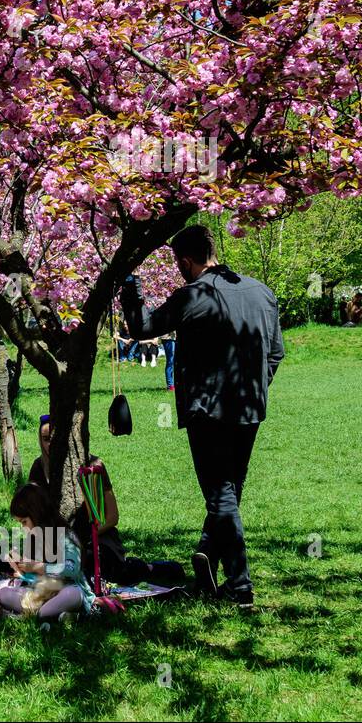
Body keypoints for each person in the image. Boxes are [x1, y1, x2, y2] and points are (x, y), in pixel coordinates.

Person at [121, 224, 284, 608]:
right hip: (249, 408)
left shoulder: (193, 296)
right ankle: (208, 553)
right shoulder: (261, 292)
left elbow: (142, 328)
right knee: (231, 490)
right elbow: (275, 352)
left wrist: (130, 284)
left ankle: (240, 587)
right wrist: (256, 388)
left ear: (185, 261)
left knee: (221, 495)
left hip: (208, 411)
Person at [28, 416, 183, 586]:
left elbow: (112, 517)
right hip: (57, 544)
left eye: (54, 438)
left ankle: (152, 568)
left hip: (97, 539)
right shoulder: (38, 468)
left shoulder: (93, 466)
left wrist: (84, 538)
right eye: (45, 439)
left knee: (108, 575)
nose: (50, 444)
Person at [0, 483, 93, 622]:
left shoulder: (64, 536)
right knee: (4, 594)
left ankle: (31, 616)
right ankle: (56, 615)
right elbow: (34, 579)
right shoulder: (35, 539)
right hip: (42, 593)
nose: (23, 527)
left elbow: (71, 568)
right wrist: (21, 569)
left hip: (66, 590)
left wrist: (38, 567)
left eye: (24, 522)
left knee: (72, 594)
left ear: (37, 513)